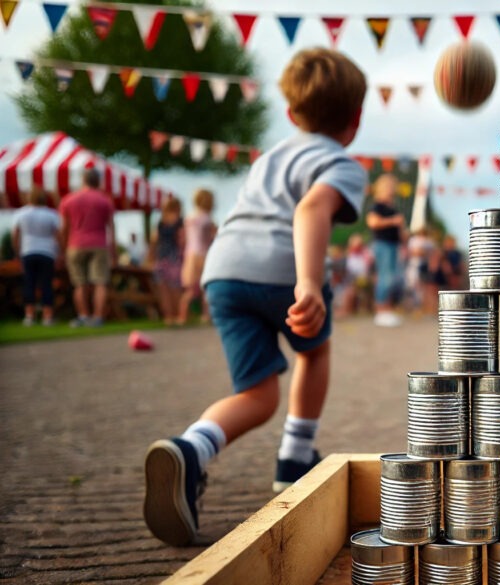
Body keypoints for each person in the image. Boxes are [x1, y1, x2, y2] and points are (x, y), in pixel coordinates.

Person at [143, 47, 368, 547]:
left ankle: (191, 450)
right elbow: (311, 210)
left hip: (223, 270)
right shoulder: (342, 163)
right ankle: (294, 458)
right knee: (314, 351)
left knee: (257, 394)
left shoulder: (269, 159)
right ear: (355, 119)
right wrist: (308, 283)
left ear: (290, 113)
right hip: (282, 269)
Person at [59, 168, 115, 327]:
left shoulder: (68, 200)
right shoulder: (105, 200)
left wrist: (63, 248)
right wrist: (113, 250)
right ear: (98, 181)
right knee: (100, 282)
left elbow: (64, 228)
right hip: (99, 244)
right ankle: (98, 318)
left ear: (83, 180)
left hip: (75, 244)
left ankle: (83, 316)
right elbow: (111, 228)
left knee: (79, 284)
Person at [12, 187, 61, 326]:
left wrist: (17, 252)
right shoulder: (51, 214)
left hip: (28, 251)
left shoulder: (21, 213)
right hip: (47, 252)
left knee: (29, 283)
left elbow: (15, 235)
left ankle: (29, 315)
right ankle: (47, 316)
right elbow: (58, 235)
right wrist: (60, 253)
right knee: (46, 284)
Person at [366, 174, 405, 327]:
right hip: (383, 244)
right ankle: (381, 310)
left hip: (393, 245)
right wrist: (393, 221)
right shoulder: (377, 206)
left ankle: (387, 310)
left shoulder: (393, 207)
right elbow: (373, 222)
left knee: (391, 277)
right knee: (385, 277)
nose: (392, 189)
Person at [177, 188, 217, 325]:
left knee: (190, 289)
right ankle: (206, 316)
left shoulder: (189, 218)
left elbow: (183, 239)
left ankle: (183, 316)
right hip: (203, 254)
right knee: (206, 288)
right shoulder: (207, 218)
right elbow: (212, 237)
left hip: (190, 255)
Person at [150, 196, 185, 326]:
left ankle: (168, 316)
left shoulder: (161, 223)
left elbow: (154, 241)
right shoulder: (180, 222)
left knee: (163, 289)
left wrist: (151, 257)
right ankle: (178, 315)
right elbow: (182, 241)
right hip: (174, 257)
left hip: (161, 257)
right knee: (176, 288)